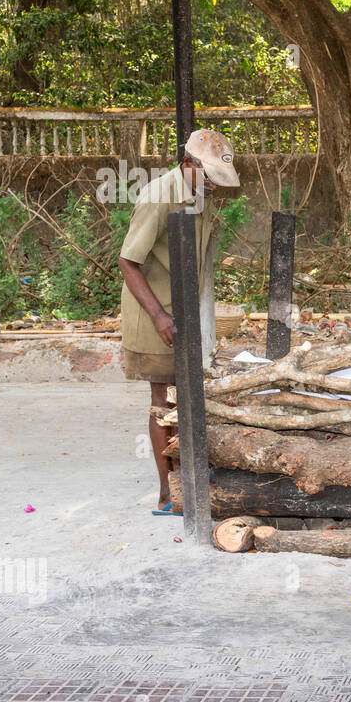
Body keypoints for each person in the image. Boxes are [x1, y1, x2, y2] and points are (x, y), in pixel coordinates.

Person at [118, 129, 240, 514]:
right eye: (209, 179)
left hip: (184, 311)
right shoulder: (157, 197)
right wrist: (159, 316)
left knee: (189, 398)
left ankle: (189, 480)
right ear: (188, 164)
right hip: (155, 315)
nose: (214, 189)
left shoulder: (198, 195)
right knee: (162, 402)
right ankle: (167, 492)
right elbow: (127, 261)